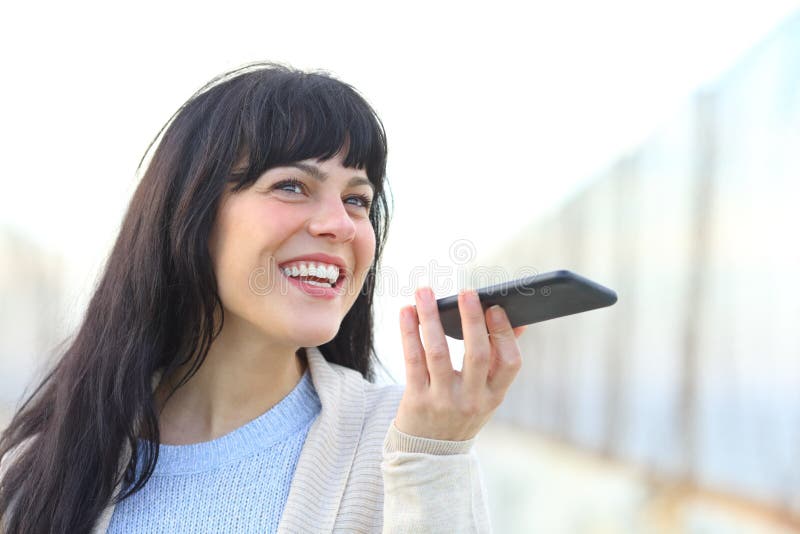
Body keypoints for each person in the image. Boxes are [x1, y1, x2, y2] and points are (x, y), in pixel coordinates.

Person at [0, 62, 526, 533]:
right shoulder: (41, 466)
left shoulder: (405, 442)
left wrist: (432, 460)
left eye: (357, 199)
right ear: (190, 214)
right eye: (292, 186)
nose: (340, 224)